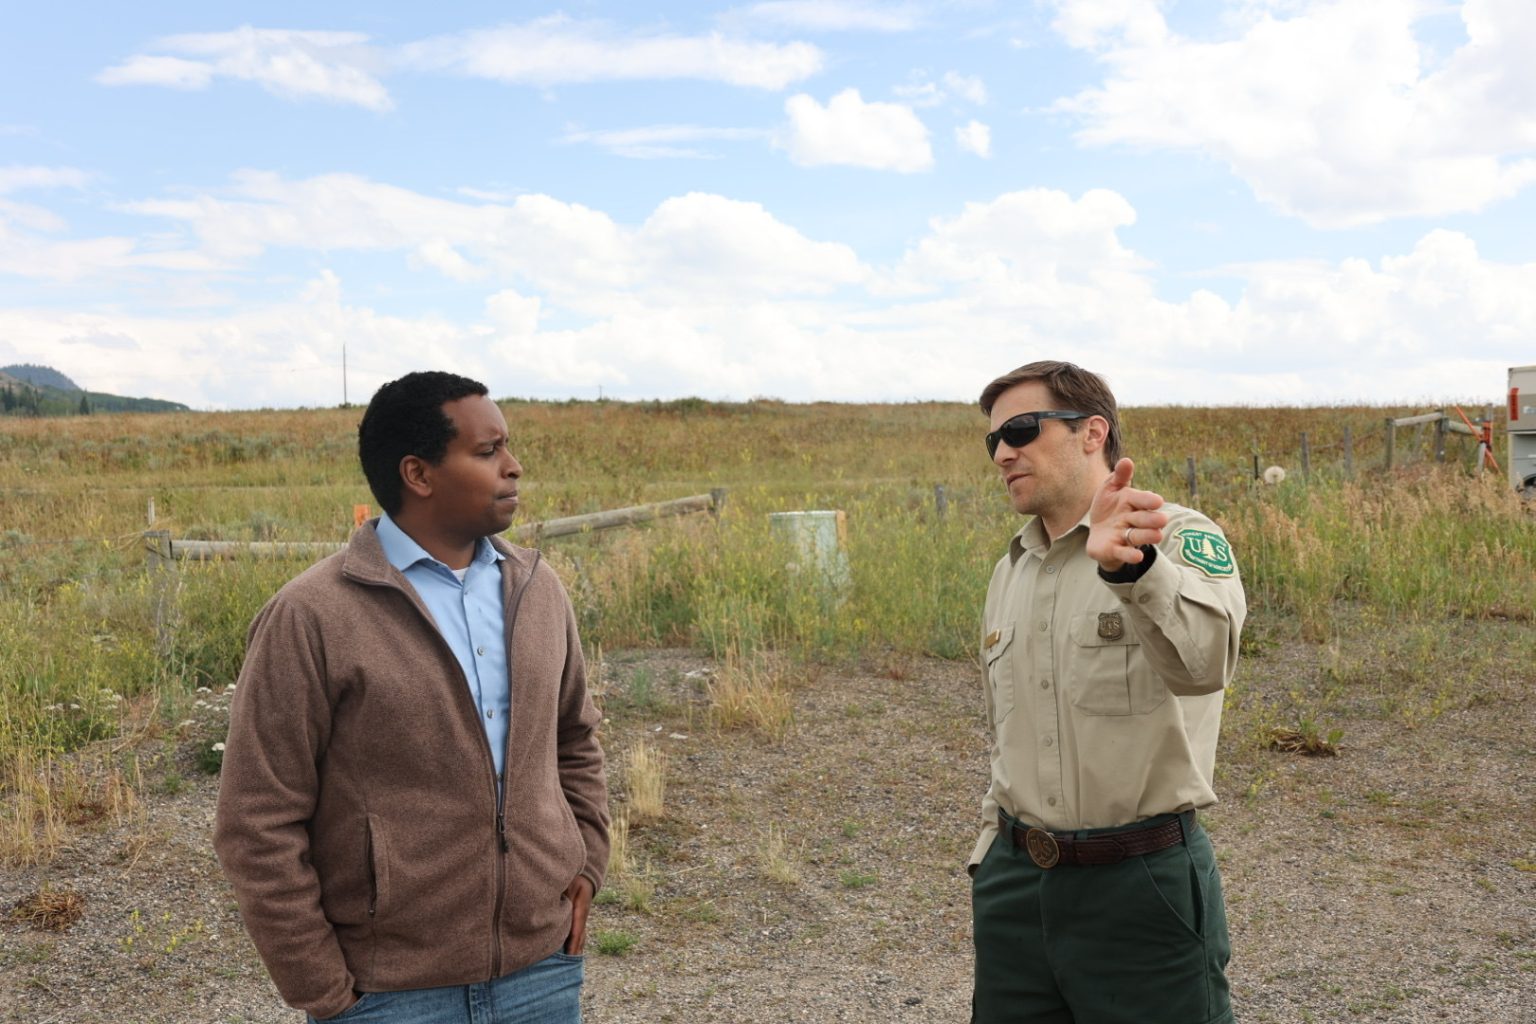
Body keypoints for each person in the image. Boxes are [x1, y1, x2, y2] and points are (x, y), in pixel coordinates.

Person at [214, 371, 609, 1023]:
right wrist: (324, 991)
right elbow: (255, 821)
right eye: (488, 452)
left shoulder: (539, 591)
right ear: (418, 475)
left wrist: (587, 866)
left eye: (508, 447)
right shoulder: (311, 616)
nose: (514, 468)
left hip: (541, 970)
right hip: (390, 995)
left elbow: (576, 741)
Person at [969, 361, 1245, 1024]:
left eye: (1022, 429)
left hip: (1139, 886)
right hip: (1016, 888)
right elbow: (1006, 728)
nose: (1004, 452)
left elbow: (1208, 666)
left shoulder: (1169, 534)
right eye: (993, 441)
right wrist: (989, 856)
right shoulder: (1013, 569)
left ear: (1093, 432)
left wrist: (1139, 571)